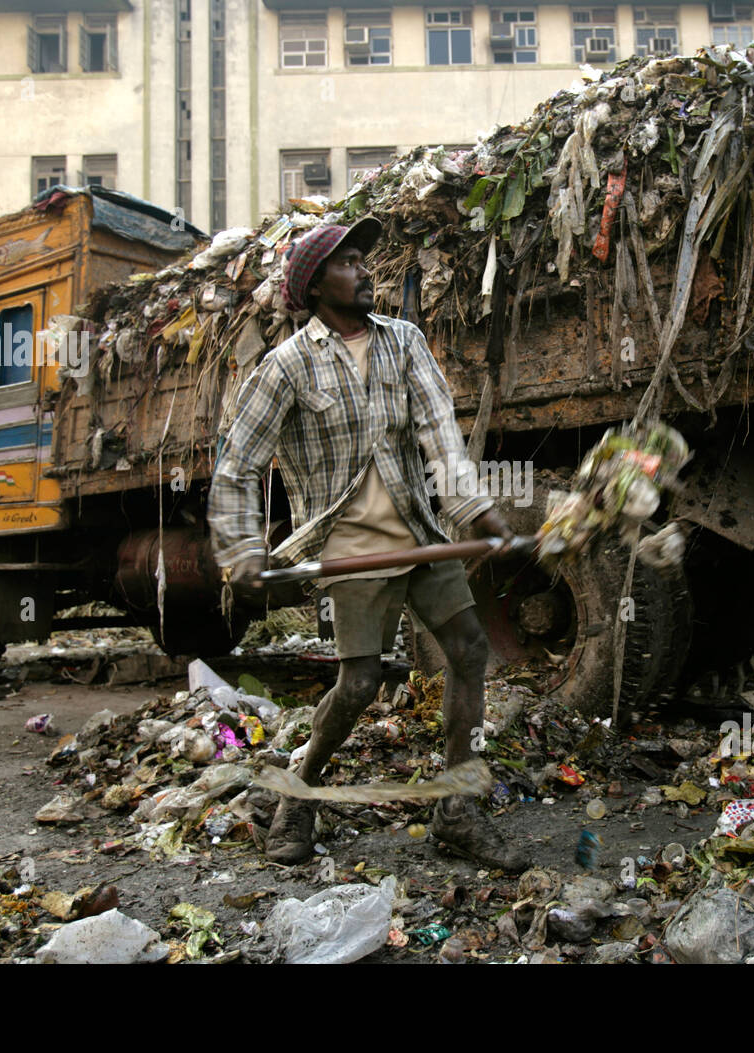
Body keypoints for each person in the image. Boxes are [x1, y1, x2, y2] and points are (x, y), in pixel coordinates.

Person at [208, 217, 530, 871]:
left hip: (416, 533)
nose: (366, 271)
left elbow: (442, 435)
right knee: (359, 684)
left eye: (364, 259)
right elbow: (237, 465)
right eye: (349, 261)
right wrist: (242, 548)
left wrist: (478, 513)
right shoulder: (287, 366)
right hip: (350, 547)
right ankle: (299, 793)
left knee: (469, 649)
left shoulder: (404, 343)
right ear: (315, 285)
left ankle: (457, 807)